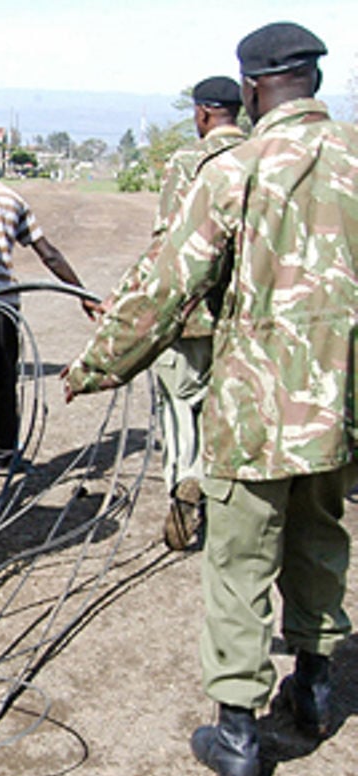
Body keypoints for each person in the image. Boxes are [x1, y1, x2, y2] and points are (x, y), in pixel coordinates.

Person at [62, 22, 356, 776]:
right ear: (314, 81)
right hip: (339, 409)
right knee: (321, 539)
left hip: (255, 413)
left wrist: (95, 366)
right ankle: (317, 690)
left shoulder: (237, 169)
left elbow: (164, 289)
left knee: (238, 565)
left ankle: (236, 735)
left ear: (255, 89)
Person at [0, 129, 96, 512]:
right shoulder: (13, 197)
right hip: (8, 305)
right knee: (2, 380)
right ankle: (3, 454)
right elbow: (48, 252)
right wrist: (80, 293)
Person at [147, 76, 247, 550]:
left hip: (192, 313)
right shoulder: (263, 155)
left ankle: (186, 481)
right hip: (245, 315)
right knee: (224, 406)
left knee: (178, 404)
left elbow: (168, 244)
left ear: (203, 114)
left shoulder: (189, 162)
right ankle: (219, 486)